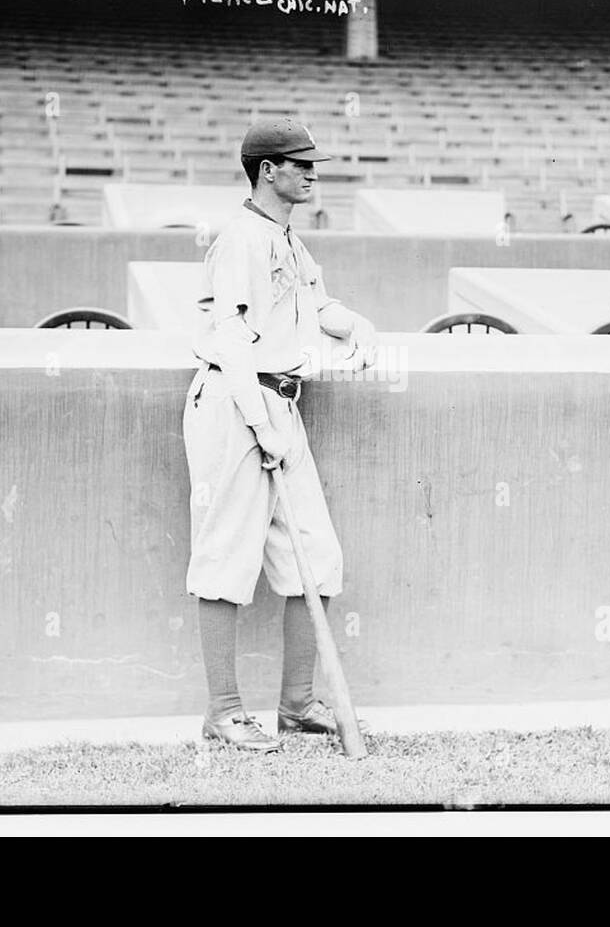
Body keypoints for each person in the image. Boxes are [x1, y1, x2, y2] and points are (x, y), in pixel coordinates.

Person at [183, 119, 377, 753]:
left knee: (317, 557)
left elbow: (319, 306)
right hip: (234, 403)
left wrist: (358, 328)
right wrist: (261, 424)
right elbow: (234, 344)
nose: (313, 173)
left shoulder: (287, 238)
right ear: (270, 170)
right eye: (303, 165)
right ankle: (224, 711)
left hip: (279, 403)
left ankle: (296, 705)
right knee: (225, 556)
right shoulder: (239, 239)